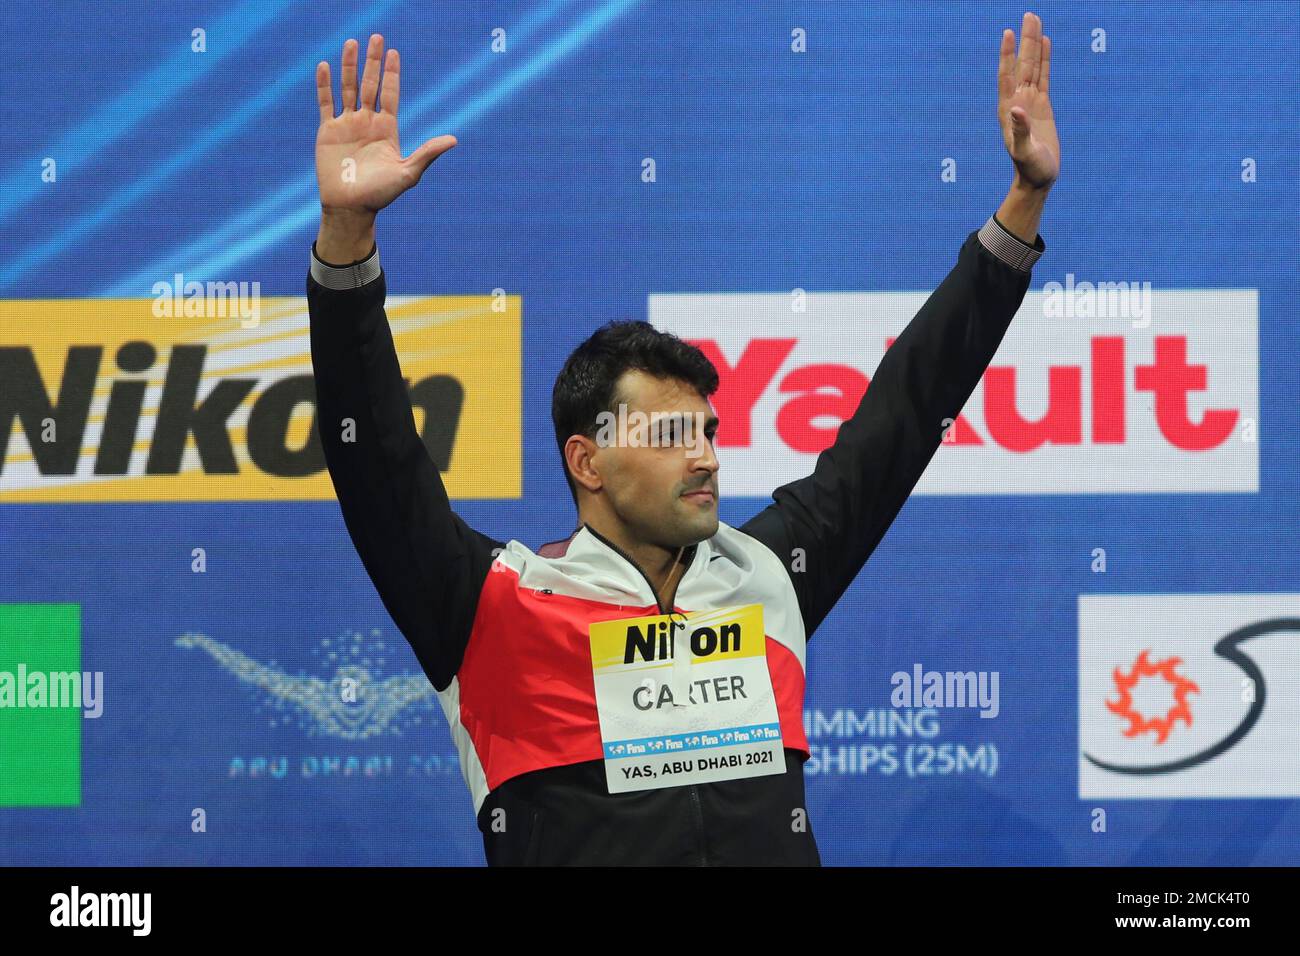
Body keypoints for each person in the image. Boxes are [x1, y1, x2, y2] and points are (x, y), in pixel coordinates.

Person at [307, 12, 1058, 865]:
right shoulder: (490, 607)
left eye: (707, 429)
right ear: (585, 460)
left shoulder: (767, 572)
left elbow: (905, 410)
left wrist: (1022, 205)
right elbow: (372, 457)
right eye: (669, 433)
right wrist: (347, 241)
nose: (703, 454)